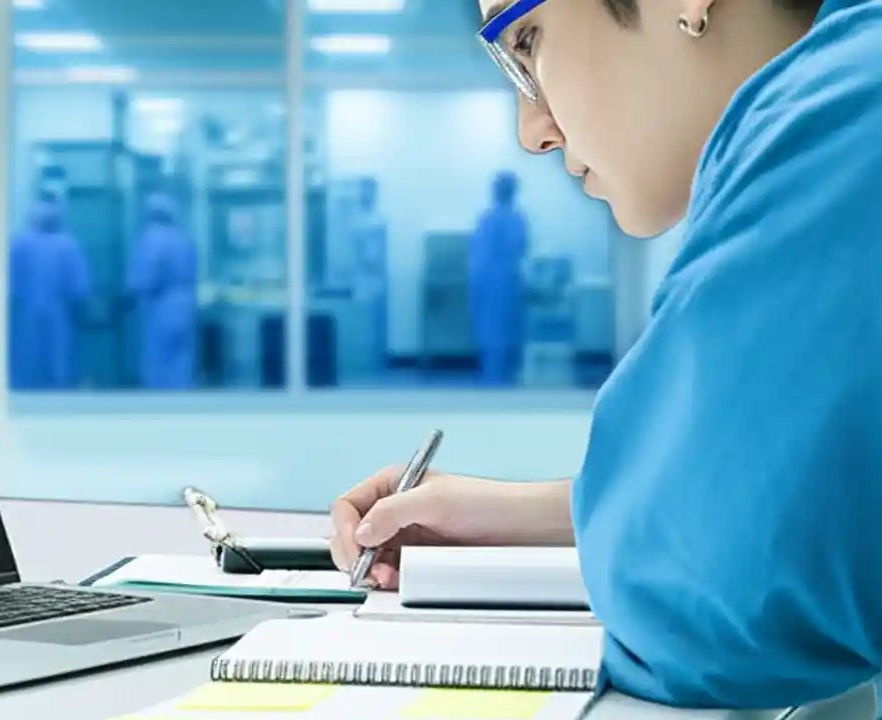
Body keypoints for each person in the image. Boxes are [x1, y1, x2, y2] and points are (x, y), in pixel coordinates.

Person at [331, 0, 882, 710]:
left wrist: (629, 521)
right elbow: (827, 485)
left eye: (525, 40)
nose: (532, 129)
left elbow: (709, 604)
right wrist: (526, 516)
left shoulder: (852, 116)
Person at [7, 193, 91, 389]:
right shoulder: (65, 245)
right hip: (49, 316)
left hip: (32, 316)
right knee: (54, 363)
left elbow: (11, 288)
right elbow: (79, 290)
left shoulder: (21, 243)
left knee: (33, 363)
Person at [127, 192, 198, 389]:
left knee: (158, 362)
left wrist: (129, 299)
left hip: (161, 307)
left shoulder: (151, 238)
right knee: (181, 360)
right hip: (184, 305)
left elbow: (145, 277)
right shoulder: (183, 238)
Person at [469, 171, 529, 385]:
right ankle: (499, 380)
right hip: (503, 282)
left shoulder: (489, 219)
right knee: (500, 332)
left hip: (492, 283)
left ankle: (494, 380)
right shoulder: (514, 219)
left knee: (493, 332)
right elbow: (520, 248)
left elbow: (480, 254)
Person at [349, 178, 389, 370]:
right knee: (360, 326)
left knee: (375, 327)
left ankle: (375, 366)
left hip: (375, 279)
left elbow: (375, 255)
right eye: (363, 191)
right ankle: (361, 366)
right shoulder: (355, 220)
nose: (366, 195)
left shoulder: (378, 220)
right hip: (361, 280)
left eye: (370, 191)